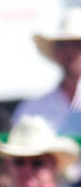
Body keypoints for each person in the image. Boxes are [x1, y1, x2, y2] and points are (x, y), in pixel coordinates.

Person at [13, 8, 81, 136]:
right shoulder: (32, 109)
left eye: (78, 44)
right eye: (64, 45)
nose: (71, 52)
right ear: (56, 51)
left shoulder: (32, 110)